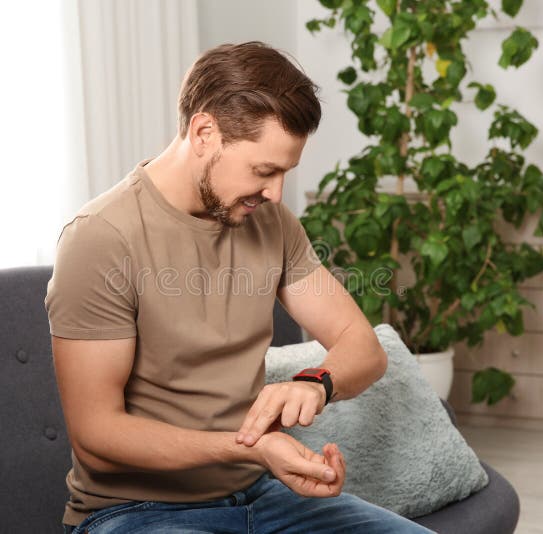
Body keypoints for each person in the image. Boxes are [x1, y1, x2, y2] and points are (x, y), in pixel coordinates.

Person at [45, 41, 434, 534]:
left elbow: (363, 347)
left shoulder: (271, 222)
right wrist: (252, 448)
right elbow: (96, 436)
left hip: (261, 495)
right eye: (264, 170)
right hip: (133, 512)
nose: (275, 192)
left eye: (284, 172)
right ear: (204, 132)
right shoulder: (101, 238)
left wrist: (315, 383)